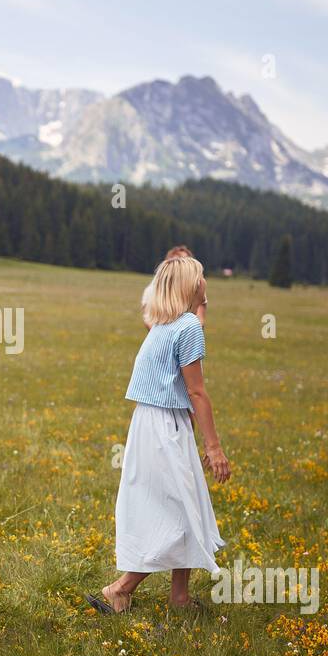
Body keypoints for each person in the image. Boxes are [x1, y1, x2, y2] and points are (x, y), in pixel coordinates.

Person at [88, 256, 230, 615]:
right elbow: (196, 392)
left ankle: (179, 596)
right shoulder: (187, 327)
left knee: (185, 505)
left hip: (151, 423)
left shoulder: (163, 324)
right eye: (201, 276)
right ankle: (120, 588)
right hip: (165, 426)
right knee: (178, 509)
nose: (205, 280)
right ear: (190, 285)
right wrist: (213, 447)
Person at [142, 245, 207, 330]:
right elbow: (148, 320)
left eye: (186, 261)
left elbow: (200, 322)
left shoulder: (197, 289)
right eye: (178, 261)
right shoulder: (151, 290)